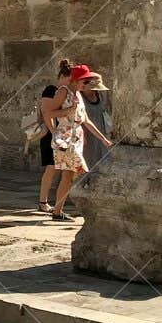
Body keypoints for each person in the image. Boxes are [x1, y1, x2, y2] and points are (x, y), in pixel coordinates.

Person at [48, 65, 112, 222]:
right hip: (65, 140)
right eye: (86, 81)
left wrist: (102, 139)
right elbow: (49, 112)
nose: (87, 84)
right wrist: (68, 111)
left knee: (68, 177)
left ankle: (57, 212)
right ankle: (93, 208)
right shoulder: (63, 91)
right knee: (83, 173)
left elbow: (86, 121)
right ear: (77, 80)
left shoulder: (78, 94)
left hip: (76, 140)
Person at [36, 59, 73, 211]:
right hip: (52, 134)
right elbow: (46, 112)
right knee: (51, 168)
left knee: (58, 169)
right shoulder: (51, 90)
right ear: (63, 76)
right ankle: (43, 202)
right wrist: (54, 133)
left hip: (61, 134)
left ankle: (49, 202)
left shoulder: (67, 92)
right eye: (69, 80)